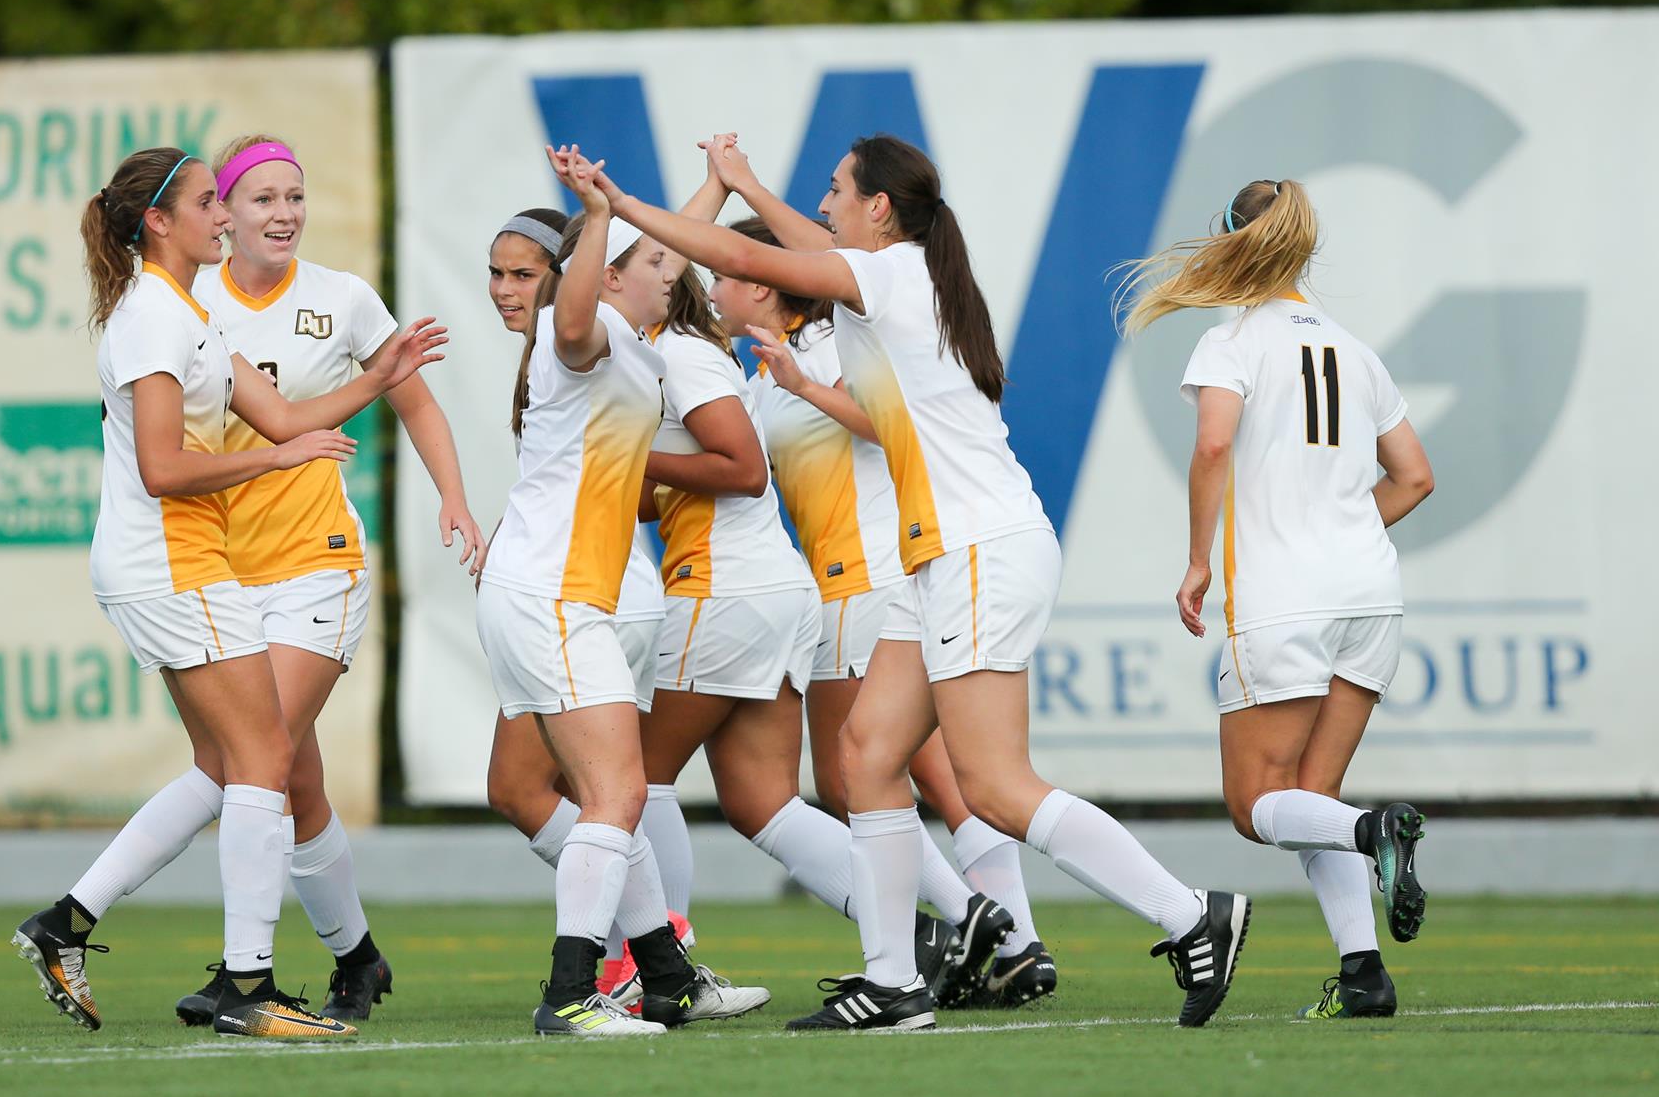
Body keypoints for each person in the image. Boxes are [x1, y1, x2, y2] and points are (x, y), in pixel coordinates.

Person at [582, 135, 1249, 1030]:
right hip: (938, 557)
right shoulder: (890, 271)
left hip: (980, 548)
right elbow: (802, 250)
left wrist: (617, 208)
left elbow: (746, 256)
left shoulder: (891, 275)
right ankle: (893, 981)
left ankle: (1190, 913)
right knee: (864, 761)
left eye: (833, 190)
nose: (820, 205)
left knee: (997, 786)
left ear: (879, 209)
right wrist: (743, 185)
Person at [13, 147, 444, 1040]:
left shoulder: (183, 310)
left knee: (239, 766)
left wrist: (379, 373)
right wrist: (275, 459)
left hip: (184, 566)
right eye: (214, 202)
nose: (226, 215)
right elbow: (167, 468)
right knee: (263, 764)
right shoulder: (151, 321)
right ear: (160, 224)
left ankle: (71, 923)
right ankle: (247, 985)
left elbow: (288, 416)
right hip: (175, 563)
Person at [156, 134, 484, 1028]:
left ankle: (240, 969)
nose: (284, 213)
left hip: (317, 564)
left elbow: (412, 397)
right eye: (262, 198)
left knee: (246, 765)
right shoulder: (187, 306)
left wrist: (453, 498)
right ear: (221, 213)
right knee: (291, 780)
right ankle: (359, 958)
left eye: (295, 196)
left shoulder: (341, 299)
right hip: (222, 572)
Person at [723, 196, 1055, 1008]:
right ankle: (1008, 938)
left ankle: (981, 924)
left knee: (874, 776)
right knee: (913, 775)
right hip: (860, 584)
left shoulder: (840, 340)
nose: (719, 285)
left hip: (872, 578)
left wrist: (803, 384)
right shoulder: (767, 370)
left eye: (730, 272)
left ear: (770, 284)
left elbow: (885, 425)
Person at [1123, 177, 1432, 1020]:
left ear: (1230, 242)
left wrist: (1196, 560)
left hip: (1285, 598)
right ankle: (1364, 973)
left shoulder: (1234, 342)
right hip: (1371, 593)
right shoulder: (1354, 349)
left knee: (1256, 805)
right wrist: (1340, 523)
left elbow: (1214, 440)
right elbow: (1416, 476)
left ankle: (1377, 832)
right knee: (1312, 802)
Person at [475, 147, 747, 1037]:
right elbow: (579, 307)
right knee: (616, 796)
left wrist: (712, 184)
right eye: (655, 263)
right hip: (554, 594)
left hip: (563, 593)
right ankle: (571, 993)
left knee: (608, 794)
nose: (674, 271)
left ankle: (664, 975)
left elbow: (659, 238)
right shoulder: (584, 330)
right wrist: (595, 218)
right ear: (615, 271)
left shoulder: (634, 332)